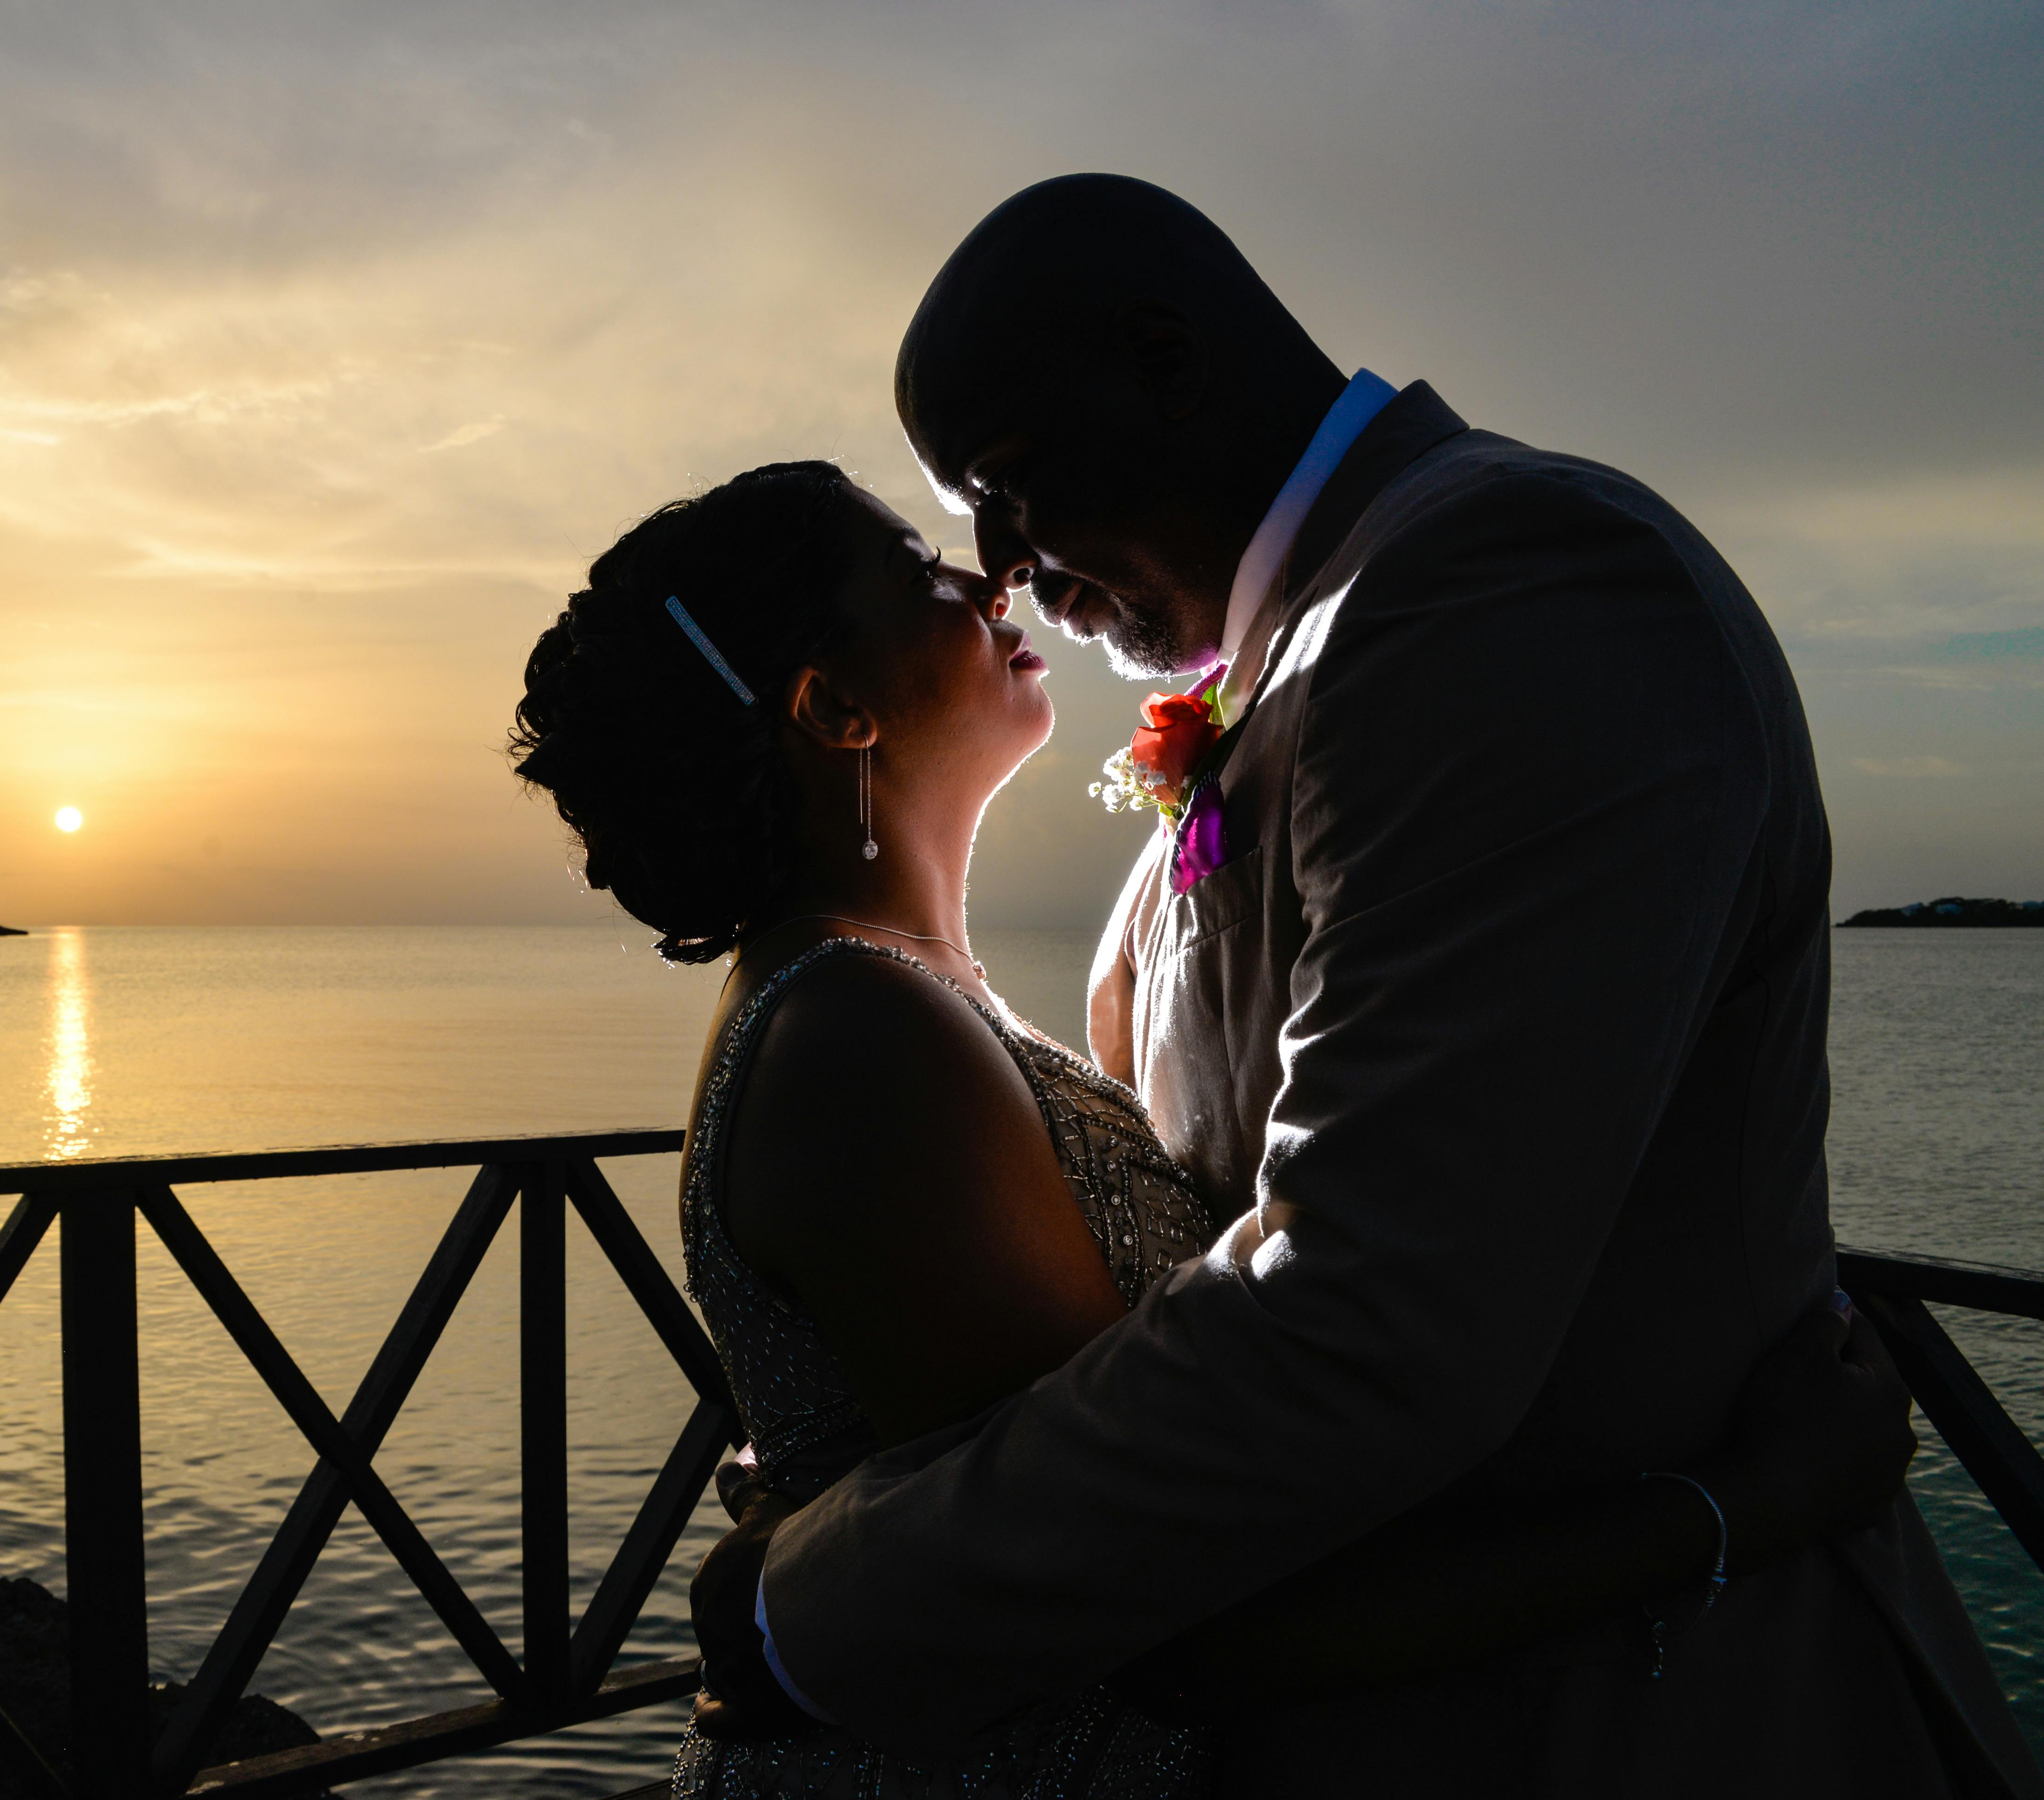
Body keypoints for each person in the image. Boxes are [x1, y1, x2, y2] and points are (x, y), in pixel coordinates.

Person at [662, 177, 2043, 1798]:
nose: (1005, 566)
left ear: (1168, 363)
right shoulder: (1313, 652)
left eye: (1011, 482)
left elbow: (1372, 1314)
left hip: (1642, 1717)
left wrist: (817, 1604)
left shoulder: (1512, 588)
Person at [510, 459, 1923, 1799]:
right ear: (834, 709)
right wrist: (1742, 1506)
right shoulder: (860, 1038)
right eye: (918, 567)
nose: (989, 577)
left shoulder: (896, 1000)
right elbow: (1179, 1616)